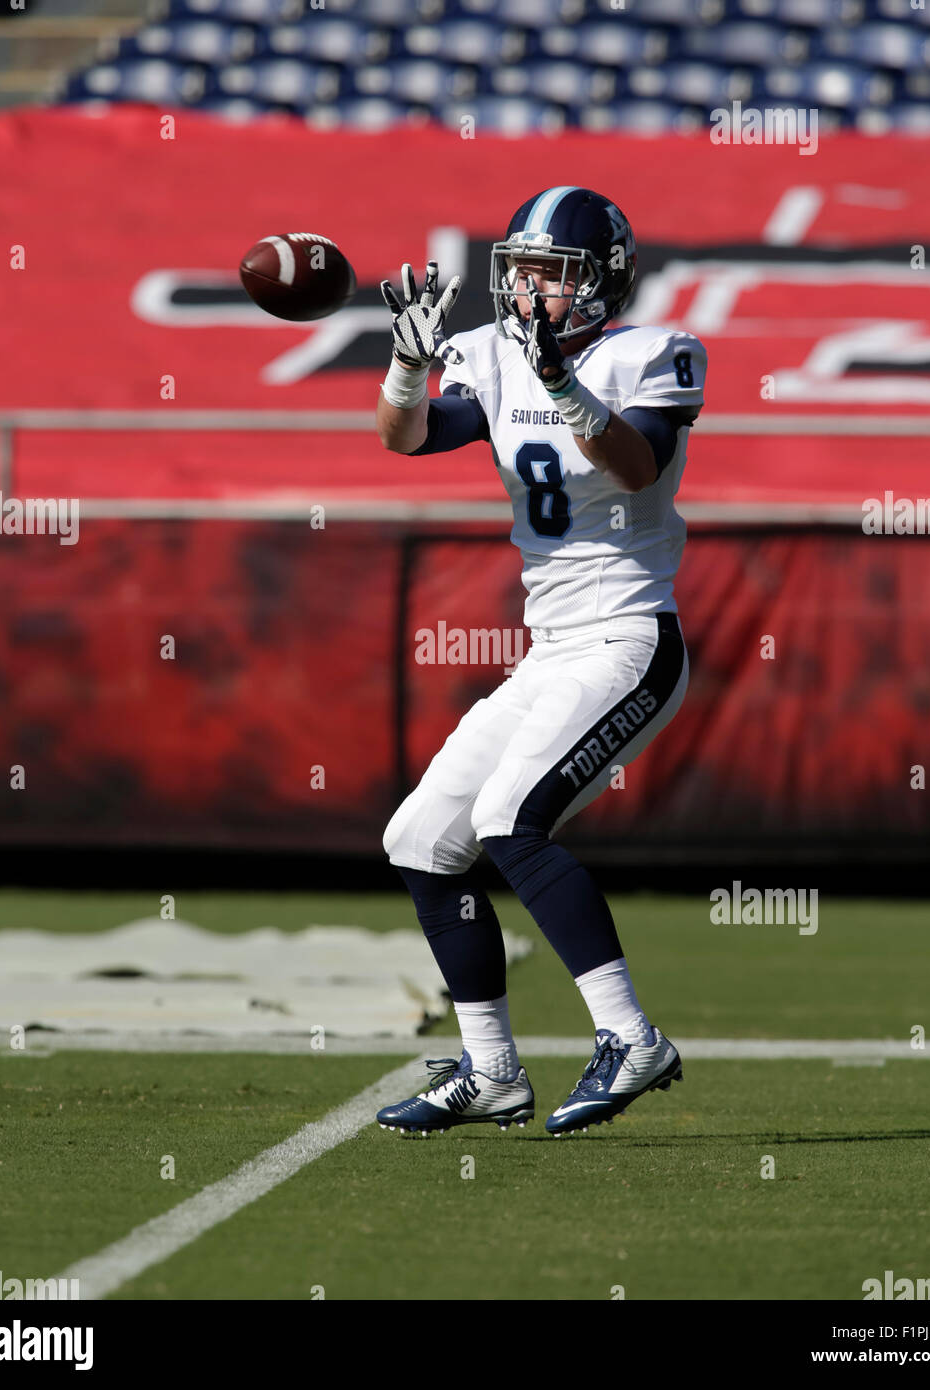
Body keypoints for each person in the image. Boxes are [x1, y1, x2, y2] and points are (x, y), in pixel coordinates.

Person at [374, 186, 706, 1138]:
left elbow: (636, 463)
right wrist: (404, 365)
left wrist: (560, 380)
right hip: (551, 649)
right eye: (520, 271)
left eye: (552, 275)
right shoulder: (492, 352)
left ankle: (632, 1038)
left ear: (600, 283)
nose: (529, 292)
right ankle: (490, 1071)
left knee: (509, 818)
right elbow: (408, 436)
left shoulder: (654, 353)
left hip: (630, 635)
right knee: (421, 839)